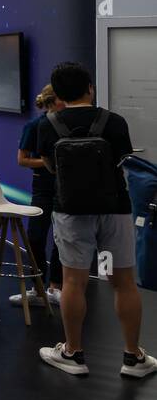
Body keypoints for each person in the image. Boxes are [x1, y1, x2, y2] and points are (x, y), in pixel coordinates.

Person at [36, 61, 155, 379]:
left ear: (57, 94)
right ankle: (133, 357)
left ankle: (74, 353)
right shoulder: (113, 122)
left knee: (73, 282)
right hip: (115, 208)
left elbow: (50, 166)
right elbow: (122, 160)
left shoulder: (47, 124)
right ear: (90, 87)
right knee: (124, 283)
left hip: (70, 211)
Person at [14, 84, 64, 308]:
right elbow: (22, 160)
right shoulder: (34, 125)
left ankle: (56, 285)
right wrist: (50, 164)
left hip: (65, 188)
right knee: (36, 235)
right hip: (43, 187)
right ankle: (37, 286)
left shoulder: (69, 125)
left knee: (61, 238)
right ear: (53, 102)